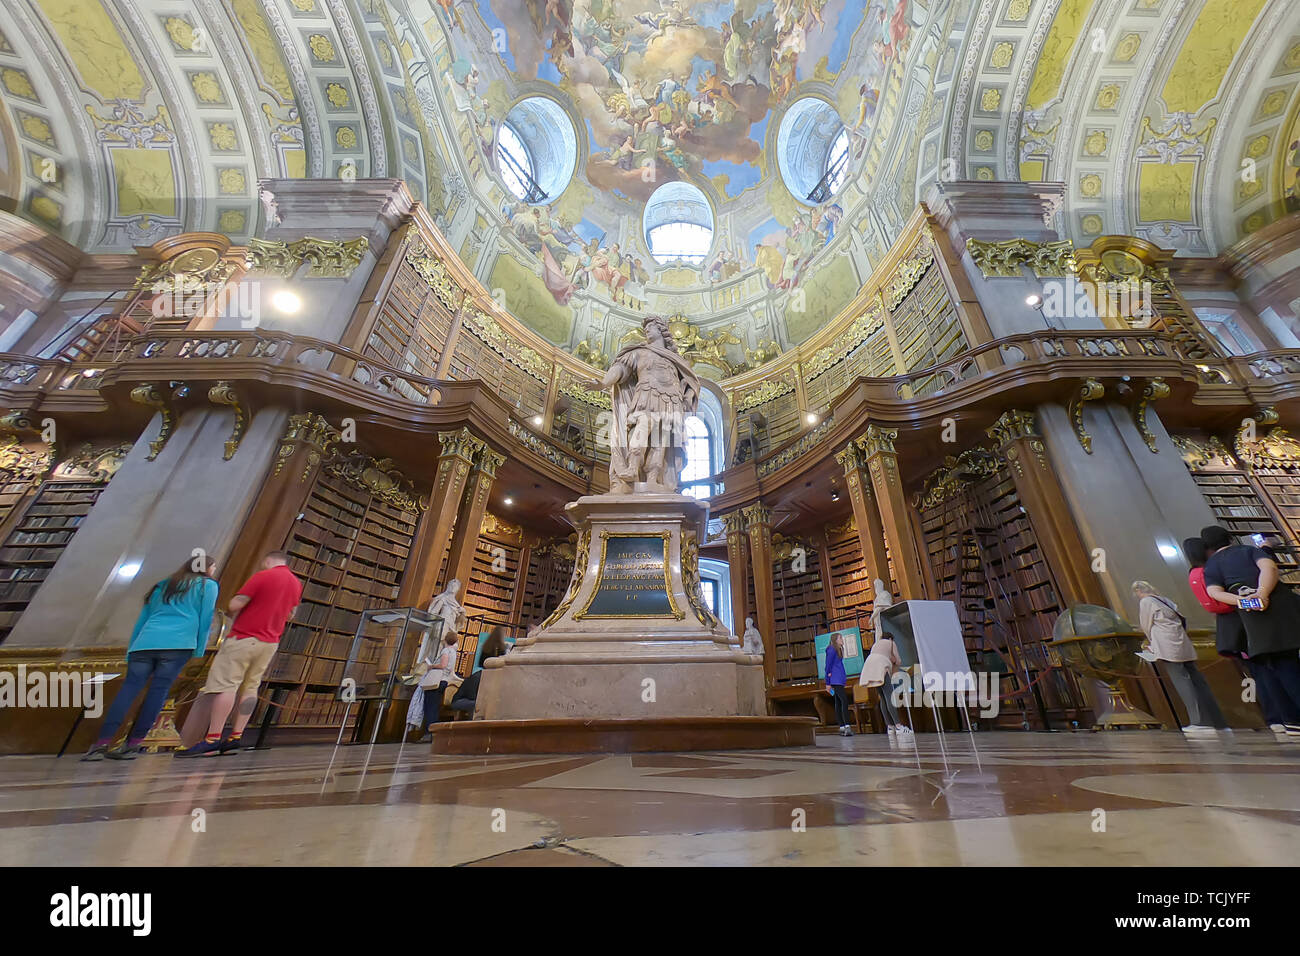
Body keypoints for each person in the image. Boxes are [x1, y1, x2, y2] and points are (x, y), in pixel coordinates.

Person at [83, 557, 219, 761]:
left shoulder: (163, 585)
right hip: (178, 644)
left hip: (145, 643)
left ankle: (101, 744)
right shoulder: (207, 586)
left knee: (127, 691)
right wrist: (199, 650)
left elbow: (143, 618)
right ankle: (133, 744)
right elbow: (205, 618)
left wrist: (132, 648)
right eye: (213, 568)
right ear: (207, 568)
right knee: (158, 692)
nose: (214, 571)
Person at [175, 551, 302, 757]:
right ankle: (236, 736)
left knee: (226, 685)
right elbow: (290, 614)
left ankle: (213, 737)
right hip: (270, 642)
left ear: (268, 560)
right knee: (251, 687)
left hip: (244, 637)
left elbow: (235, 604)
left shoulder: (263, 576)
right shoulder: (296, 583)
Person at [1201, 525, 1300, 737]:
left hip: (1252, 620)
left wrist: (1244, 602)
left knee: (1272, 665)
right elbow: (1269, 568)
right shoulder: (1247, 550)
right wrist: (1262, 593)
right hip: (1279, 610)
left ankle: (1290, 719)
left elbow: (1214, 592)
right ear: (1230, 537)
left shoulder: (1211, 565)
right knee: (1288, 661)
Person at [1184, 536, 1285, 732]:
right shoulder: (1212, 570)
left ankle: (1276, 718)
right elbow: (1229, 598)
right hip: (1246, 624)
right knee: (1269, 670)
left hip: (1234, 628)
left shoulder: (1195, 573)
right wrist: (1256, 600)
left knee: (1259, 672)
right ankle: (1281, 716)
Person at [1130, 580, 1228, 736]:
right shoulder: (1165, 600)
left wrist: (1151, 644)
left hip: (1167, 645)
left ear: (1138, 592)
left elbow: (1146, 625)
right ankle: (1218, 721)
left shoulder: (1146, 601)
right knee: (1198, 681)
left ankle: (1199, 722)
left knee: (1182, 682)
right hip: (1182, 643)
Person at [409, 630, 461, 737]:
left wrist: (431, 666)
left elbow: (443, 665)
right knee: (434, 706)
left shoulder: (446, 651)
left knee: (430, 707)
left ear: (445, 640)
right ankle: (433, 732)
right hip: (444, 680)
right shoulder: (454, 653)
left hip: (437, 680)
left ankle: (430, 732)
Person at [450, 627, 510, 717]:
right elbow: (473, 698)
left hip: (484, 672)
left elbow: (481, 662)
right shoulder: (480, 678)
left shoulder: (486, 646)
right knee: (481, 704)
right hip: (465, 700)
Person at [861, 631, 910, 736]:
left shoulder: (876, 644)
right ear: (891, 638)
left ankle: (890, 727)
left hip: (869, 666)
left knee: (882, 697)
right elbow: (898, 660)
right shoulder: (891, 643)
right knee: (889, 696)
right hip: (881, 665)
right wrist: (895, 661)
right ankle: (898, 726)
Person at [824, 632, 853, 737]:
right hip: (835, 679)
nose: (842, 639)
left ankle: (841, 726)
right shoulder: (831, 649)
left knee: (838, 702)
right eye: (840, 638)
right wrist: (827, 682)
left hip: (839, 678)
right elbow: (828, 666)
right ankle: (846, 725)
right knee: (844, 701)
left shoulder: (839, 650)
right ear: (836, 640)